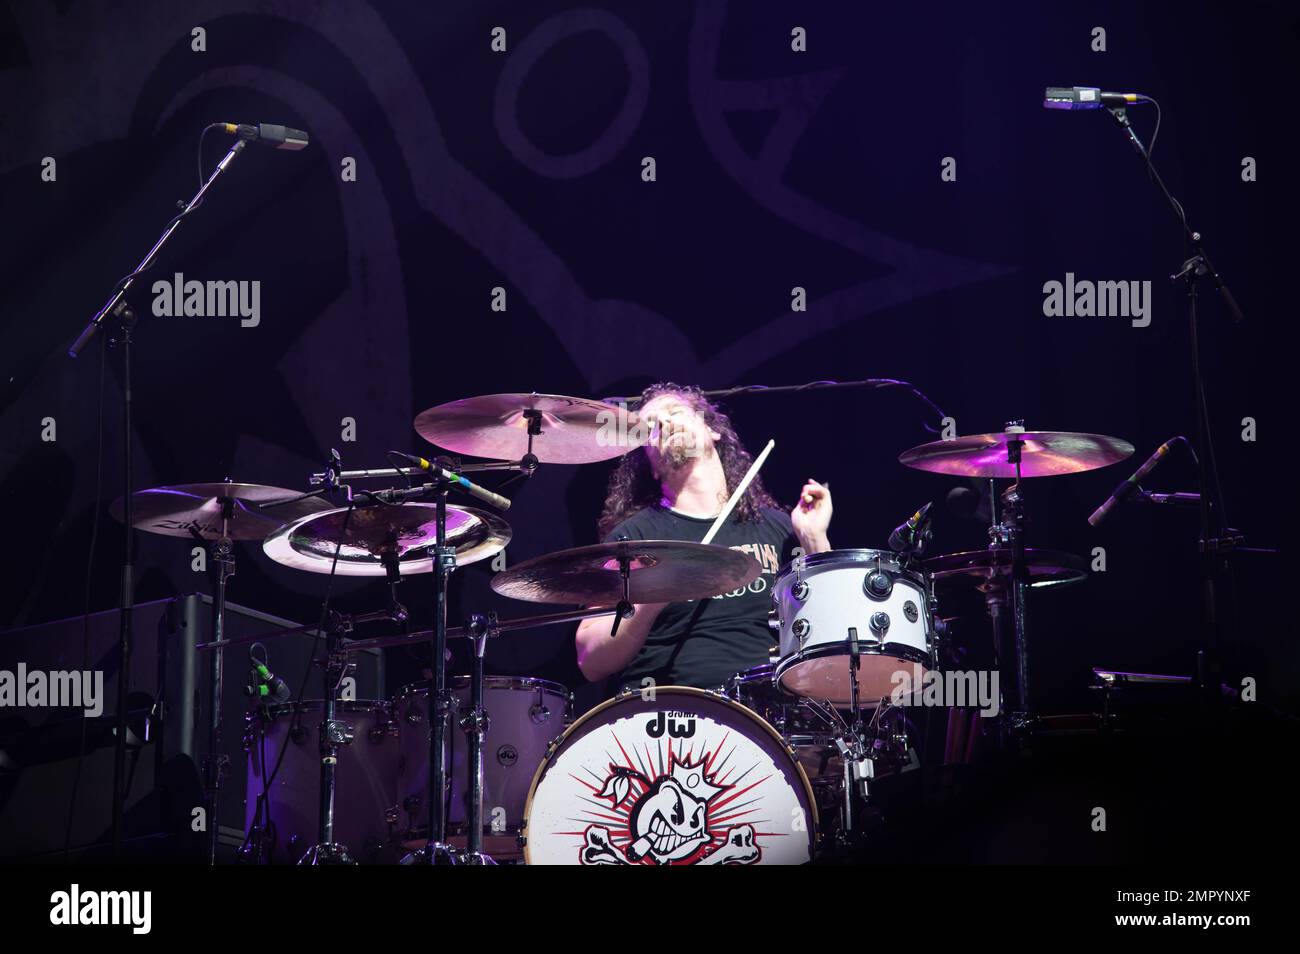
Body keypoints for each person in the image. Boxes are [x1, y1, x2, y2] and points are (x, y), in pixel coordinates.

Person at [576, 383, 832, 690]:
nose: (665, 424)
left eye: (674, 412)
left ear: (713, 431)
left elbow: (832, 632)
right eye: (652, 427)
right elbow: (590, 660)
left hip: (770, 713)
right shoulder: (633, 539)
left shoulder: (779, 528)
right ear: (650, 464)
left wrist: (813, 538)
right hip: (669, 714)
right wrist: (649, 600)